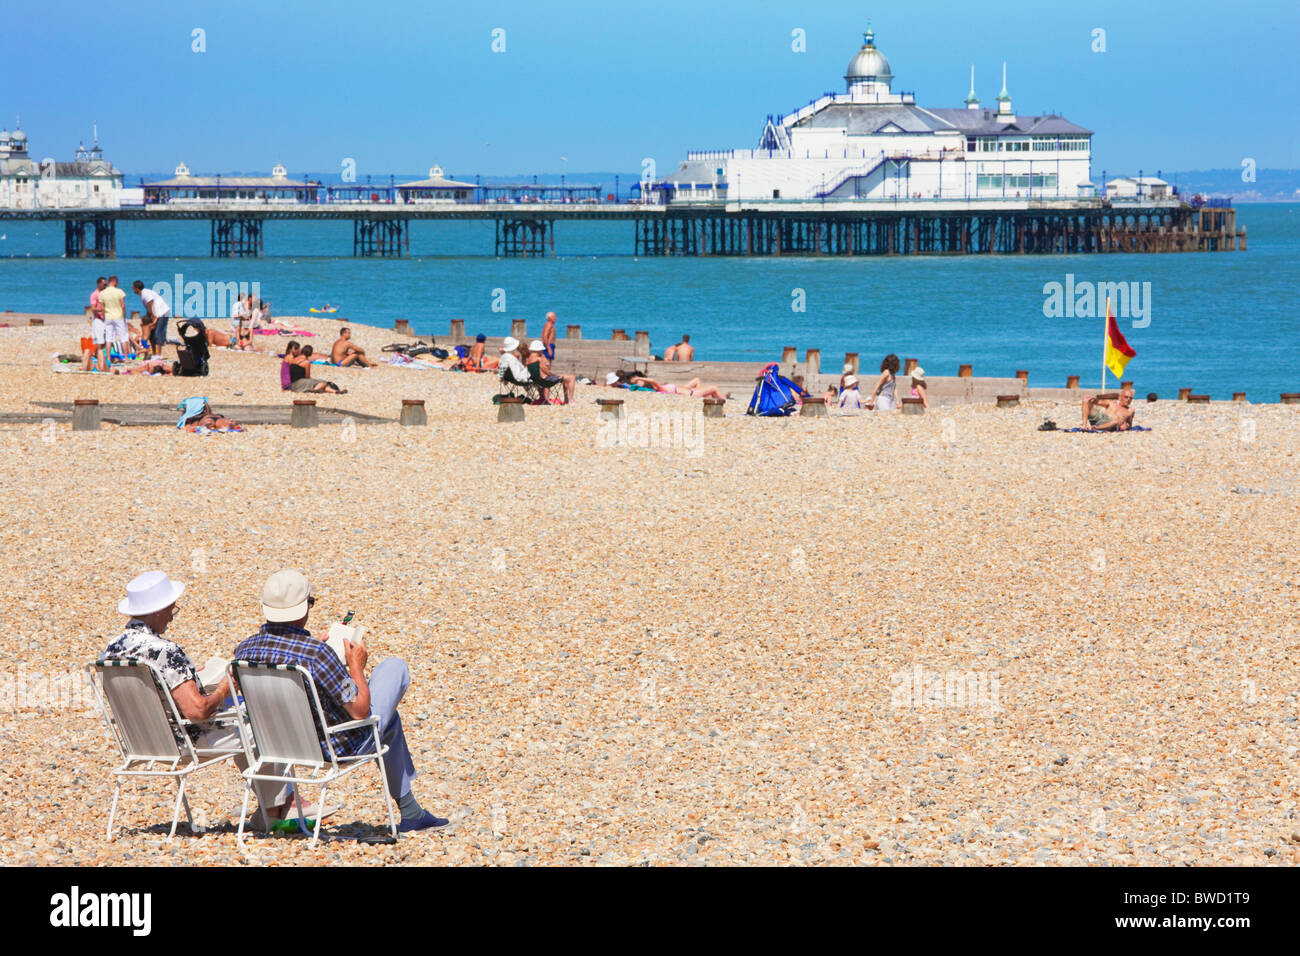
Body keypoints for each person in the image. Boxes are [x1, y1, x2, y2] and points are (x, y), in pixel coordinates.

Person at [232, 570, 451, 834]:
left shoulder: (244, 650)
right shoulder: (317, 655)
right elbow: (360, 711)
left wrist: (312, 651)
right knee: (394, 668)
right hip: (336, 746)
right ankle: (411, 811)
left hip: (278, 744)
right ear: (305, 608)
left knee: (390, 720)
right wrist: (356, 667)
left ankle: (412, 811)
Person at [101, 571, 297, 831]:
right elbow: (197, 711)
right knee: (263, 723)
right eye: (171, 609)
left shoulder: (111, 650)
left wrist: (193, 679)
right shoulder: (165, 651)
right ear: (157, 611)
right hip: (182, 743)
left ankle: (278, 804)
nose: (172, 615)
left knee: (241, 717)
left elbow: (156, 690)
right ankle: (273, 812)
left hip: (141, 740)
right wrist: (223, 691)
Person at [526, 339, 575, 404]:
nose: (542, 351)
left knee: (564, 377)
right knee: (571, 377)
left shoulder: (529, 360)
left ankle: (566, 399)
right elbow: (545, 370)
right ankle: (570, 399)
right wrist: (554, 375)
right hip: (545, 380)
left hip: (537, 381)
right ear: (538, 350)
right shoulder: (539, 358)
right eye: (541, 350)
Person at [133, 280, 170, 357]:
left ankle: (158, 355)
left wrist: (154, 317)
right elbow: (149, 308)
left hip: (161, 313)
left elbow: (151, 304)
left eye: (133, 287)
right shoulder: (144, 294)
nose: (133, 289)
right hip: (157, 314)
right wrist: (147, 319)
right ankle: (154, 353)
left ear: (137, 288)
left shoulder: (145, 293)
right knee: (152, 334)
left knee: (158, 333)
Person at [98, 276, 127, 370]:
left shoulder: (102, 293)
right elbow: (123, 305)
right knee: (123, 337)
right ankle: (126, 357)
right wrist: (124, 316)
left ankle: (109, 358)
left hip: (108, 316)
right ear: (114, 282)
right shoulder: (119, 291)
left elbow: (102, 307)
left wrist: (103, 316)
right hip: (118, 316)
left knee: (109, 338)